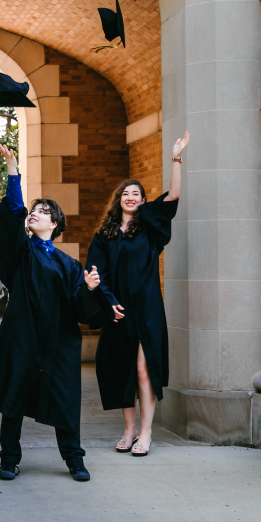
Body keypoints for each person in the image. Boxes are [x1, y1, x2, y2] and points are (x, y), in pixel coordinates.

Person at [0, 144, 112, 483]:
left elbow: (79, 307)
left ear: (55, 223)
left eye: (43, 210)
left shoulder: (68, 264)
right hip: (23, 339)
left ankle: (74, 459)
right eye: (33, 210)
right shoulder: (22, 252)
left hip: (58, 343)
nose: (34, 213)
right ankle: (9, 459)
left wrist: (90, 288)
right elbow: (11, 217)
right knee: (14, 400)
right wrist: (12, 172)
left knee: (65, 400)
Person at [87, 132, 190, 458]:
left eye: (136, 194)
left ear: (144, 201)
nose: (130, 197)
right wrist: (107, 301)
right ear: (118, 199)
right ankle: (129, 429)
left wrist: (176, 158)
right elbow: (95, 272)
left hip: (147, 310)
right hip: (119, 311)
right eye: (125, 193)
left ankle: (146, 433)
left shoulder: (149, 228)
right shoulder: (104, 234)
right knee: (122, 371)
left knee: (145, 370)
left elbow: (173, 196)